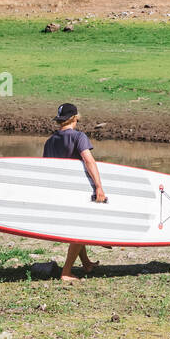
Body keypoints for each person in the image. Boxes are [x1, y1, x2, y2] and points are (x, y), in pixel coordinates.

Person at [43, 103, 108, 281]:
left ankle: (86, 263)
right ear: (75, 118)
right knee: (81, 229)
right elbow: (89, 161)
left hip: (58, 192)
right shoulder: (79, 137)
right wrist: (99, 186)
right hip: (76, 191)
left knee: (78, 226)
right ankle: (66, 272)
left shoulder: (50, 141)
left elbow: (45, 169)